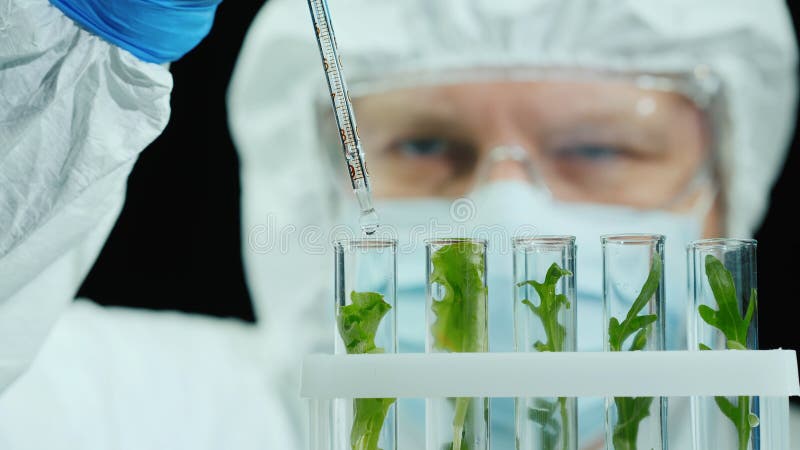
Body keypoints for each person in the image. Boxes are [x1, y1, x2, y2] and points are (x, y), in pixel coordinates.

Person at [0, 0, 797, 449]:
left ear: (726, 188)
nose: (505, 214)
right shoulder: (125, 412)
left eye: (598, 149)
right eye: (424, 144)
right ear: (309, 187)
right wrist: (49, 57)